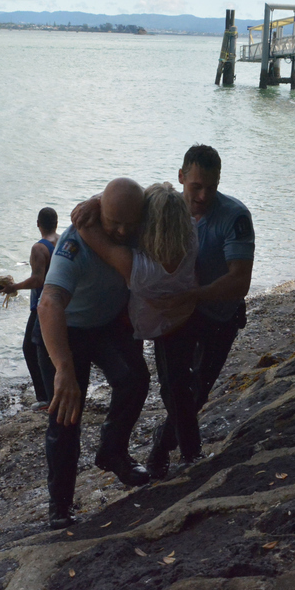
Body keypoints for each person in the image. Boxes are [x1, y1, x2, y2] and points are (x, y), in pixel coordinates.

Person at [37, 178, 152, 529]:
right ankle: (60, 507)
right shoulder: (75, 241)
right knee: (66, 416)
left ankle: (112, 452)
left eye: (127, 224)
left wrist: (98, 199)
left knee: (135, 379)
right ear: (100, 214)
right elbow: (49, 302)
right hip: (62, 329)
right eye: (112, 222)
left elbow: (159, 199)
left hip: (106, 324)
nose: (120, 231)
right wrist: (63, 369)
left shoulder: (136, 222)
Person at [74, 182, 203, 469]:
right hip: (179, 318)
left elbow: (88, 231)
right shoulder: (191, 235)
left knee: (147, 383)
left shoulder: (143, 270)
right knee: (177, 387)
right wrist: (103, 200)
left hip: (141, 322)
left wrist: (94, 204)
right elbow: (155, 199)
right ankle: (190, 452)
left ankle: (140, 450)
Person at [147, 144, 254, 477]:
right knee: (173, 386)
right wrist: (92, 206)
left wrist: (195, 295)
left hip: (218, 312)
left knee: (198, 390)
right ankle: (190, 456)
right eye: (196, 187)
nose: (203, 195)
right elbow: (122, 208)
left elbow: (239, 282)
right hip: (174, 312)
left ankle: (163, 442)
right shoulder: (164, 208)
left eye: (211, 187)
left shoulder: (235, 217)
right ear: (181, 178)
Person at [0, 208, 58, 408]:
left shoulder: (39, 248)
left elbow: (37, 279)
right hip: (61, 302)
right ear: (56, 223)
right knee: (51, 349)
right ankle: (54, 390)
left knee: (30, 348)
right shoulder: (62, 242)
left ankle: (44, 397)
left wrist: (13, 287)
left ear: (38, 223)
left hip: (41, 305)